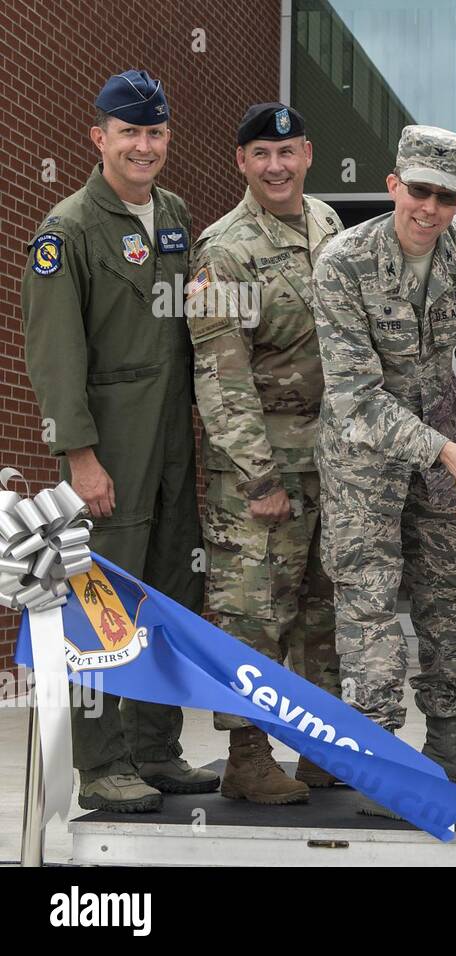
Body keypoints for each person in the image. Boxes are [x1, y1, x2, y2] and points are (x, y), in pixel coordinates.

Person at [21, 70, 217, 812]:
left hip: (171, 439)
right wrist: (80, 457)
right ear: (98, 137)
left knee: (168, 592)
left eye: (156, 133)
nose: (144, 145)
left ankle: (156, 750)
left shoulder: (173, 214)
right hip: (109, 446)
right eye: (129, 132)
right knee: (102, 603)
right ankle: (101, 766)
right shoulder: (65, 230)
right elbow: (54, 352)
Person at [311, 125, 456, 803]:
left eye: (448, 198)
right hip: (364, 464)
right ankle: (380, 758)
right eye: (420, 191)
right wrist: (447, 449)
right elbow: (353, 396)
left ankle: (449, 742)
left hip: (452, 456)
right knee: (367, 605)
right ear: (394, 184)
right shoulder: (342, 261)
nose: (430, 209)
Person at [187, 103, 342, 805]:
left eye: (287, 151)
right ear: (241, 163)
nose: (276, 166)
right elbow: (222, 375)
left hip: (330, 461)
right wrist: (258, 477)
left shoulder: (330, 227)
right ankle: (247, 757)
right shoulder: (226, 249)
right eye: (261, 155)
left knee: (321, 609)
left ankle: (317, 747)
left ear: (308, 153)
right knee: (254, 613)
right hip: (261, 467)